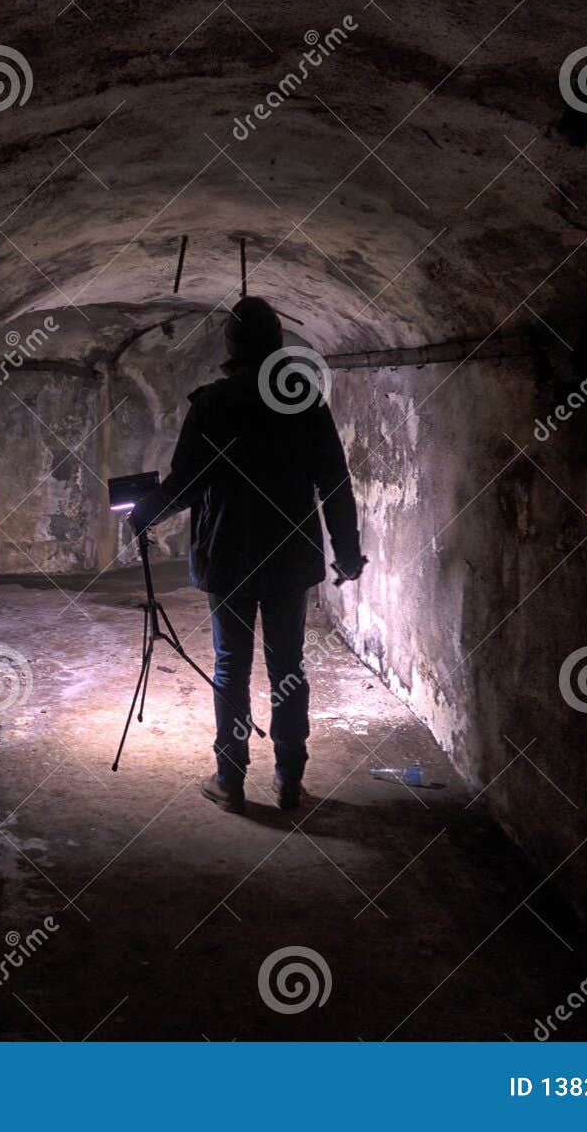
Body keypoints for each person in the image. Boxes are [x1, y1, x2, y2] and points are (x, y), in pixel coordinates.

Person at [128, 296, 365, 814]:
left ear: (231, 348)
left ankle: (230, 778)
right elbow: (335, 482)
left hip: (228, 555)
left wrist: (144, 513)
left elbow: (187, 483)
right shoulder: (303, 401)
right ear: (278, 342)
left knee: (232, 663)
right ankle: (288, 780)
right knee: (288, 666)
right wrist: (348, 552)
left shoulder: (212, 404)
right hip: (287, 556)